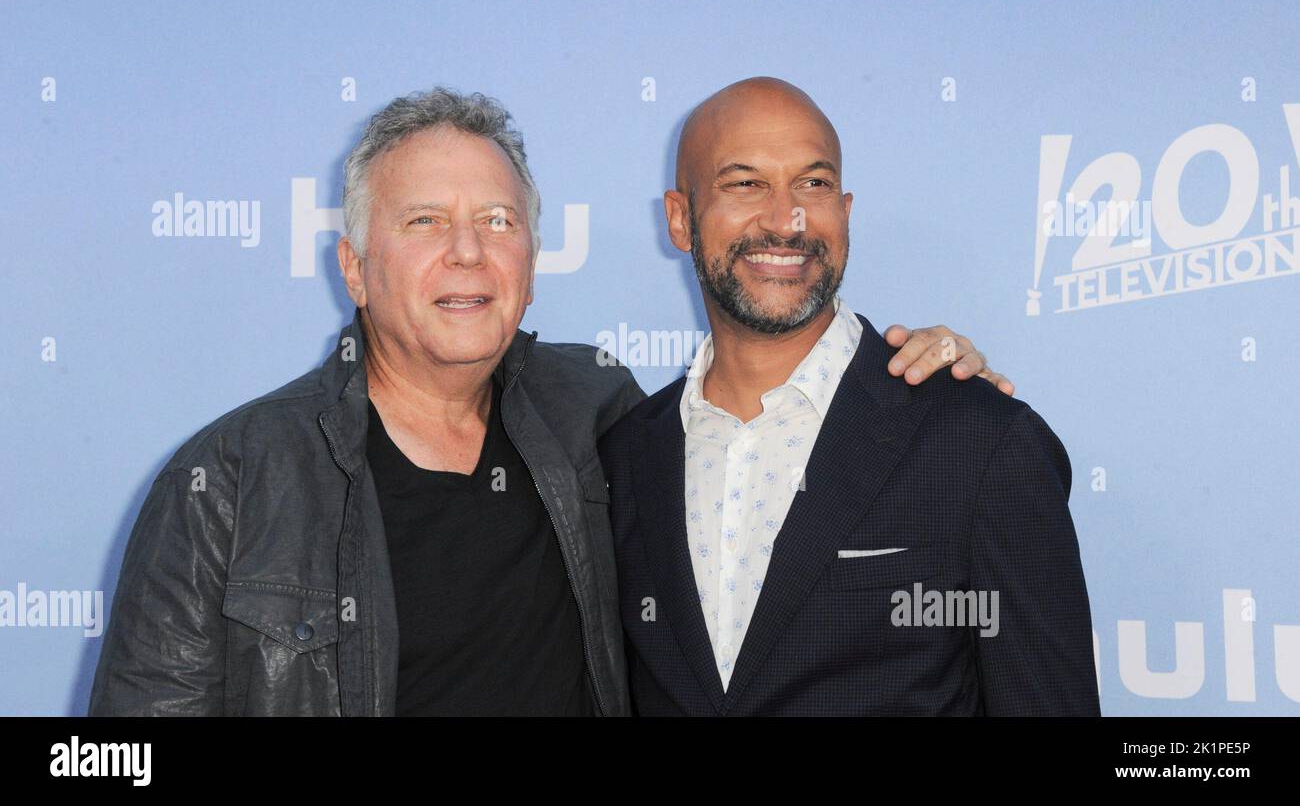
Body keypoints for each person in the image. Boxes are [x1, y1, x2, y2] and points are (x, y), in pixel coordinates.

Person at [89, 86, 1012, 716]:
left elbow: (768, 429)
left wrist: (914, 378)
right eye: (424, 223)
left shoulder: (602, 422)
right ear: (354, 268)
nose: (466, 253)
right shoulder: (231, 483)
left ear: (530, 266)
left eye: (497, 223)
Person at [600, 77, 1100, 716]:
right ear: (680, 218)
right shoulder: (623, 457)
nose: (787, 220)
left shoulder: (981, 442)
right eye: (745, 183)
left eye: (814, 184)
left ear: (846, 210)